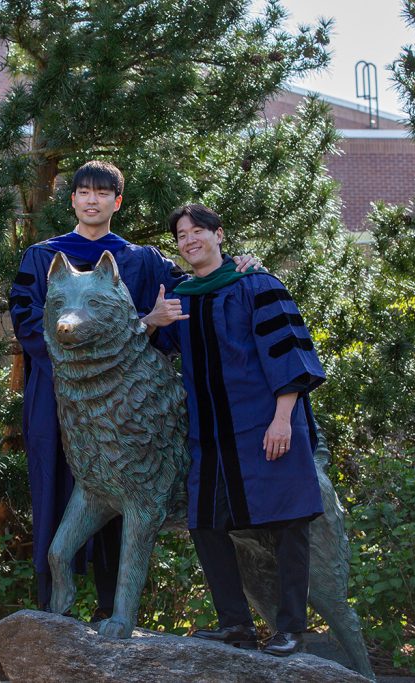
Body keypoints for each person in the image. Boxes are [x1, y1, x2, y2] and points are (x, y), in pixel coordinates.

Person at [9, 162, 258, 616]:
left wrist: (242, 269)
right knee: (59, 495)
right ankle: (53, 609)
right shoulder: (44, 259)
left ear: (116, 202)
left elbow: (196, 290)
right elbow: (31, 325)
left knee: (123, 492)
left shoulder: (139, 260)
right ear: (73, 200)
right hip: (58, 401)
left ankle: (111, 608)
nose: (91, 200)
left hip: (125, 409)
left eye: (102, 193)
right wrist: (139, 326)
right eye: (83, 192)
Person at [152, 203, 325, 656]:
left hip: (265, 426)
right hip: (210, 438)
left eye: (197, 231)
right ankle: (236, 625)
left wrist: (283, 418)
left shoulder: (257, 284)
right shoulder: (182, 299)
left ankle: (290, 629)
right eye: (181, 236)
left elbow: (288, 353)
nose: (189, 240)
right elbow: (153, 350)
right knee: (205, 523)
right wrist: (153, 321)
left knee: (289, 523)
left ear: (219, 234)